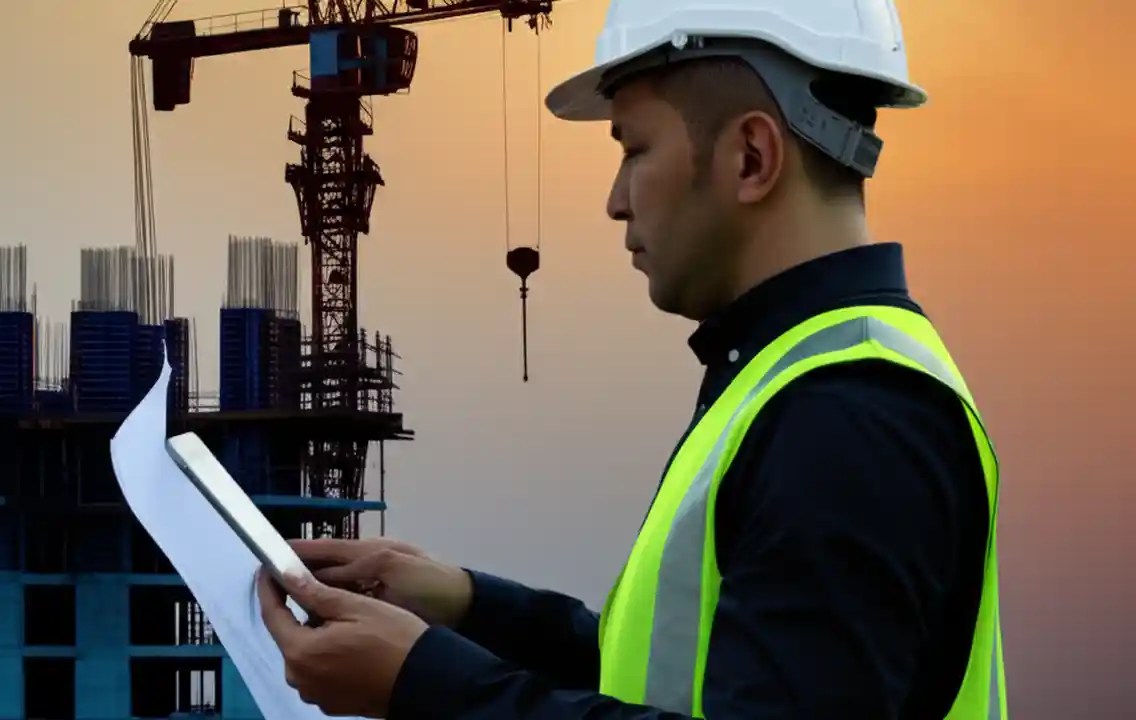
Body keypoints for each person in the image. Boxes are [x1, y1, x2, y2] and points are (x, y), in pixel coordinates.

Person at [255, 0, 1010, 718]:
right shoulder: (799, 384)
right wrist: (467, 604)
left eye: (634, 149)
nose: (616, 200)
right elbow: (664, 678)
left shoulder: (847, 421)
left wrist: (423, 684)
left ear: (751, 157)